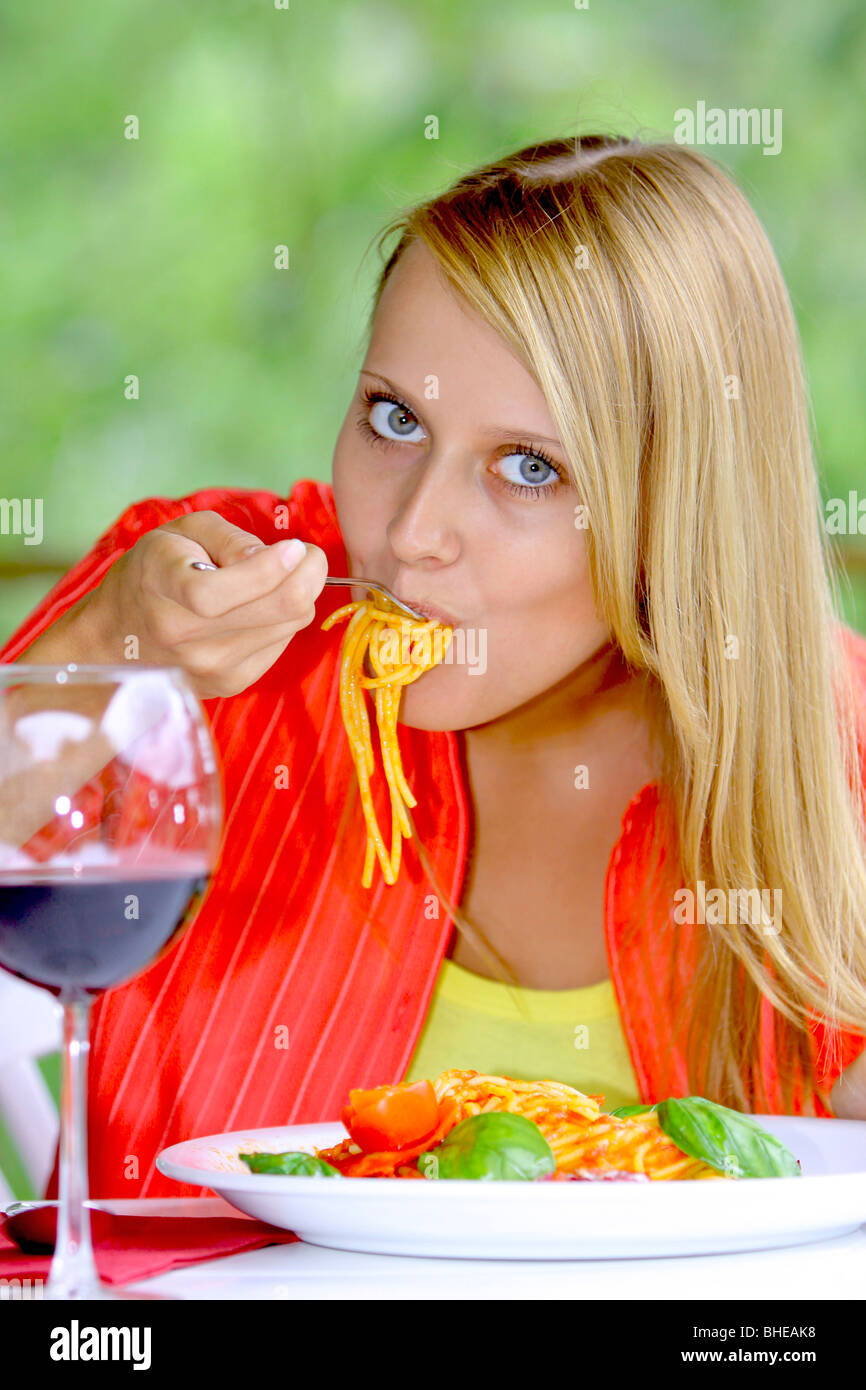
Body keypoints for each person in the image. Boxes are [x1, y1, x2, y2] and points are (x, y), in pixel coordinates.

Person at [3, 134, 865, 1200]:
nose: (412, 532)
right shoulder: (200, 614)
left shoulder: (839, 752)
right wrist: (98, 649)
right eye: (394, 418)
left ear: (674, 509)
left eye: (527, 468)